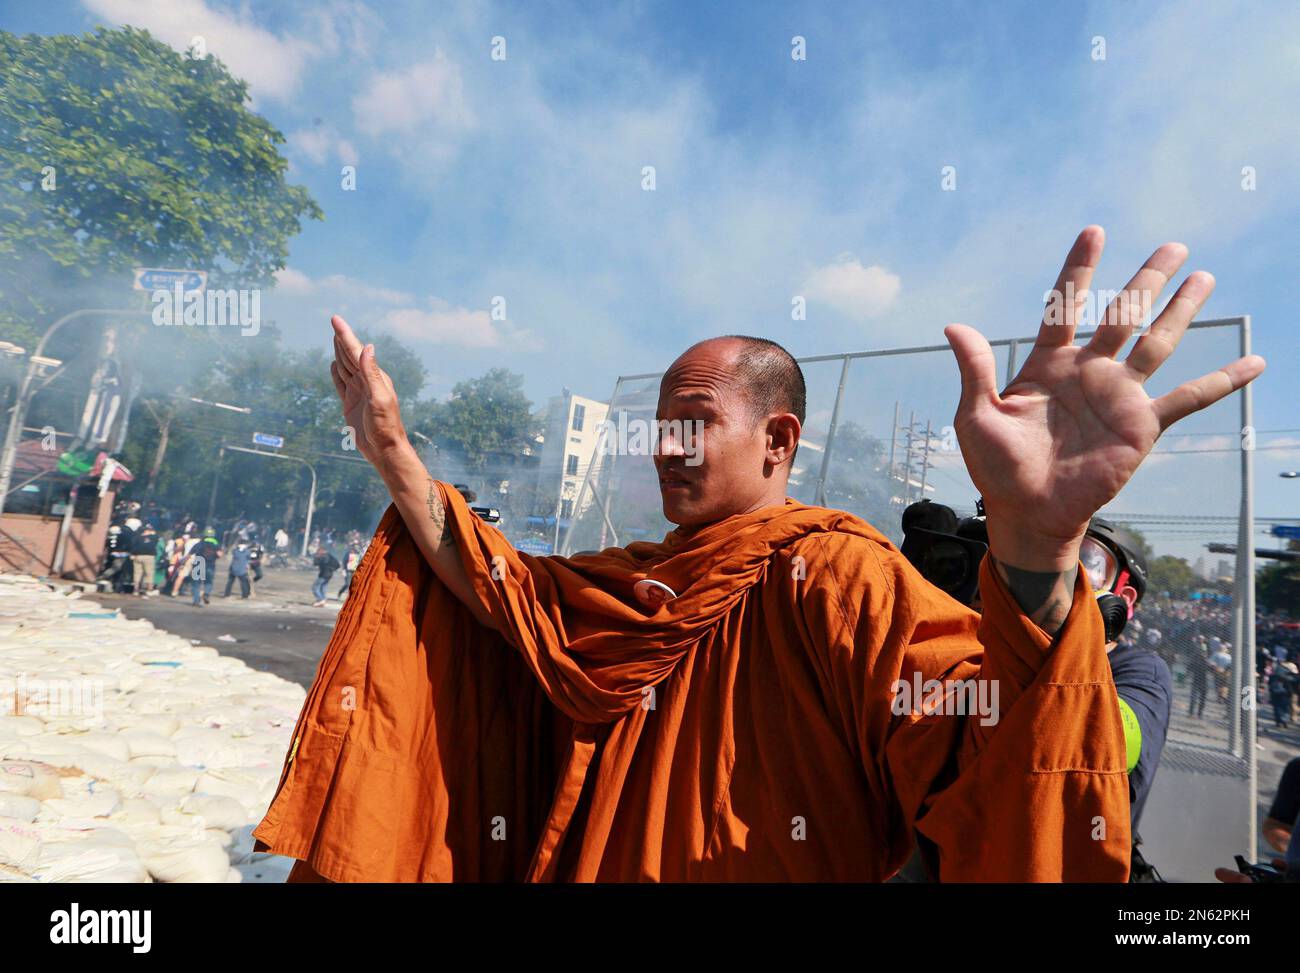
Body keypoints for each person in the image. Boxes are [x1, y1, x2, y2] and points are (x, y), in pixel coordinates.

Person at [255, 228, 1264, 882]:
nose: (662, 446)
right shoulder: (637, 577)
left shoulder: (837, 574)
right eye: (656, 424)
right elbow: (499, 593)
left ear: (777, 443)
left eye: (692, 422)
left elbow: (986, 757)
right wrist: (392, 453)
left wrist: (1038, 555)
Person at [188, 529, 221, 606]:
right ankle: (206, 593)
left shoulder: (199, 543)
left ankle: (196, 601)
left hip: (198, 563)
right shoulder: (216, 544)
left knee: (196, 584)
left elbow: (190, 554)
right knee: (208, 582)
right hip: (209, 564)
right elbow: (219, 554)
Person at [131, 522, 158, 596]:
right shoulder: (153, 537)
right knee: (149, 573)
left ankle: (136, 590)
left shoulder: (137, 537)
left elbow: (133, 547)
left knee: (137, 573)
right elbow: (156, 538)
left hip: (138, 556)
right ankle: (149, 590)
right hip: (149, 556)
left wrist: (133, 554)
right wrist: (152, 532)